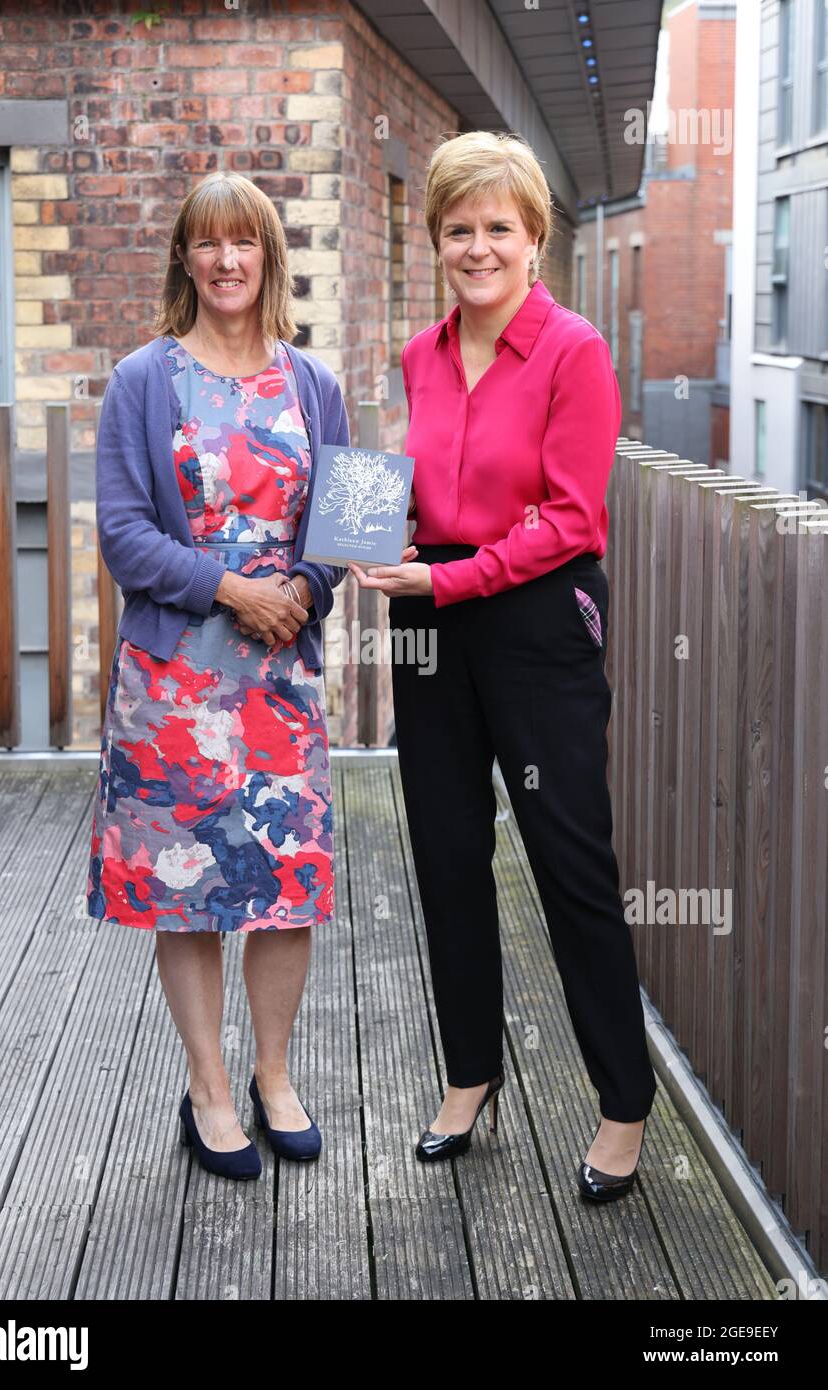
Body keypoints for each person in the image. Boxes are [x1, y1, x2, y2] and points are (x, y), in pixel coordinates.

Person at [85, 172, 414, 1181]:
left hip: (279, 686)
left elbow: (353, 520)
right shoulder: (144, 381)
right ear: (183, 259)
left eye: (247, 243)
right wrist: (236, 588)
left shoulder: (313, 383)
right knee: (185, 895)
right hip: (173, 689)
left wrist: (303, 593)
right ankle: (210, 1088)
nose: (229, 261)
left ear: (270, 257)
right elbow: (127, 539)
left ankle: (275, 1076)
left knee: (284, 886)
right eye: (208, 243)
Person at [349, 131, 656, 1202]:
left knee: (569, 859)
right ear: (436, 240)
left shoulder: (574, 350)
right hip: (430, 615)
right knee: (443, 849)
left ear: (533, 239)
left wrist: (449, 578)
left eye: (497, 228)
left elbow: (571, 520)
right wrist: (377, 531)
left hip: (532, 618)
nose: (477, 247)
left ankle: (623, 1102)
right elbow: (422, 489)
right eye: (457, 229)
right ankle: (470, 1074)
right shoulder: (419, 356)